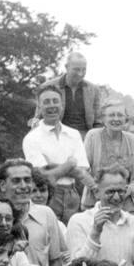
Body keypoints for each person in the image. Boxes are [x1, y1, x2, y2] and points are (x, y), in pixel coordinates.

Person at [0, 158, 66, 266]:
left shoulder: (46, 214)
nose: (23, 186)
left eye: (27, 180)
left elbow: (55, 261)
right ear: (3, 185)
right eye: (16, 181)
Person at [23, 84, 91, 223]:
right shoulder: (31, 138)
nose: (51, 105)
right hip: (47, 195)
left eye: (55, 101)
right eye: (46, 102)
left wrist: (54, 167)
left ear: (62, 105)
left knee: (71, 238)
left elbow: (82, 170)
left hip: (72, 195)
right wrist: (70, 164)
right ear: (39, 107)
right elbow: (43, 175)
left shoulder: (74, 134)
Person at [65, 164, 134, 266]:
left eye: (121, 191)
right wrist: (95, 232)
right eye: (110, 192)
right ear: (97, 192)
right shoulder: (79, 222)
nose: (116, 197)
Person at [82, 100, 134, 215]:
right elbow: (81, 170)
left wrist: (129, 190)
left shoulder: (133, 140)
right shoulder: (93, 136)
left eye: (120, 115)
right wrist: (96, 188)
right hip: (96, 203)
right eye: (111, 115)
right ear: (103, 119)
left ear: (125, 119)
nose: (116, 119)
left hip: (127, 205)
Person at [42, 52, 110, 134]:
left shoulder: (94, 89)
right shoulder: (49, 87)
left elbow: (98, 121)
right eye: (76, 69)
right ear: (66, 67)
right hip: (58, 135)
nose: (80, 73)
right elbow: (39, 117)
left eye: (84, 69)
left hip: (85, 137)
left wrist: (94, 137)